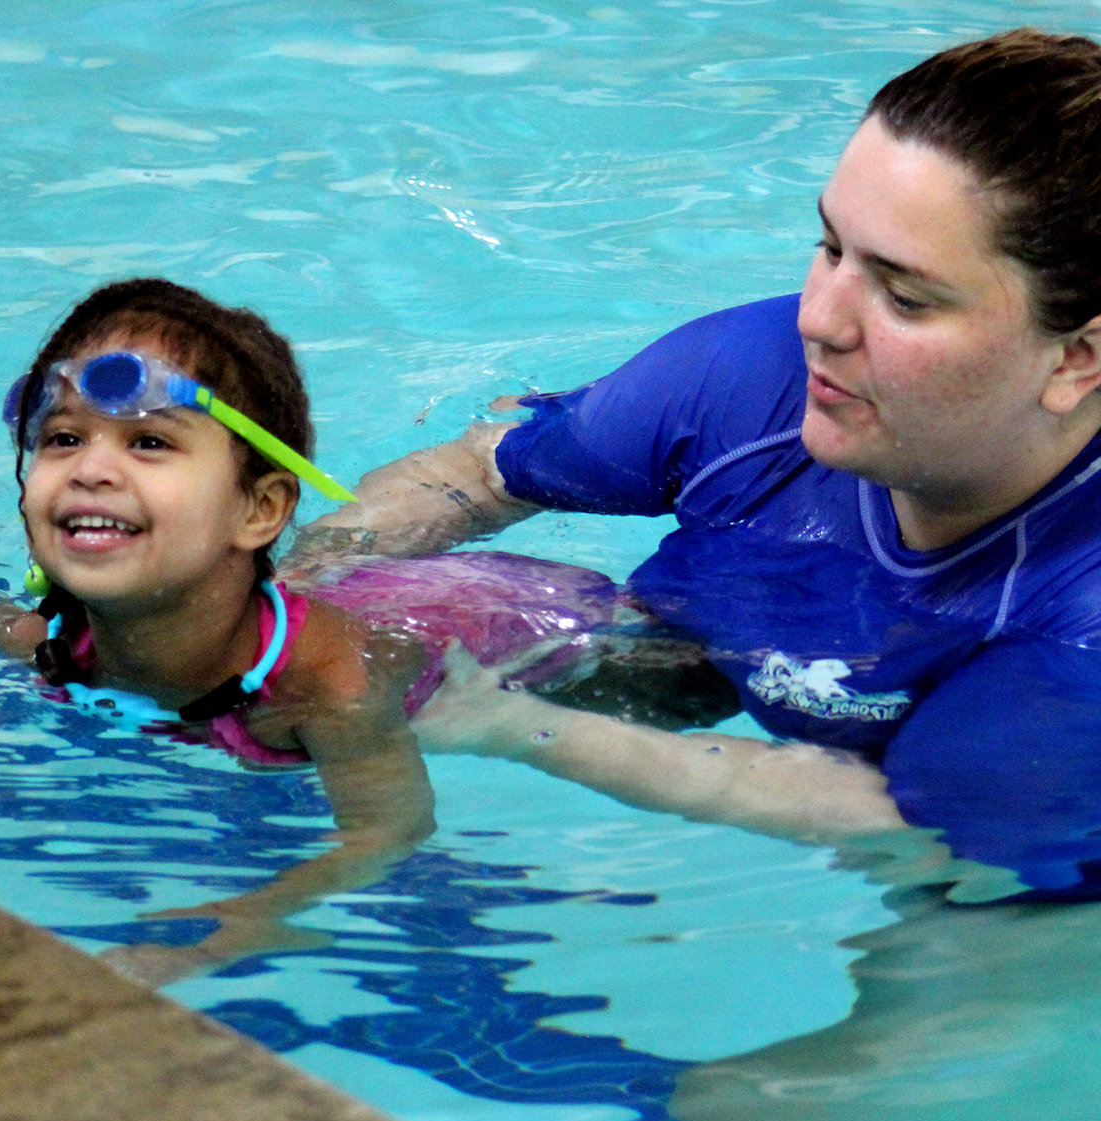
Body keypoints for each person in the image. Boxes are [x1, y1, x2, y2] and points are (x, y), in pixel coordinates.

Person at [293, 29, 1101, 899]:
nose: (819, 320)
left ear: (1075, 361)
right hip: (724, 655)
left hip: (1019, 860)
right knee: (393, 637)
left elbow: (900, 823)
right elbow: (481, 472)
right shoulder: (744, 382)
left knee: (943, 969)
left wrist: (507, 726)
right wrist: (304, 587)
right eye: (831, 249)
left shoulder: (1080, 627)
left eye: (904, 297)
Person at [0, 277, 625, 979]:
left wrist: (249, 919)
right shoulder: (63, 643)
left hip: (537, 626)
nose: (91, 467)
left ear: (258, 509)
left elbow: (389, 832)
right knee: (325, 560)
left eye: (149, 443)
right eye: (61, 438)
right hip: (303, 593)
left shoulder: (328, 690)